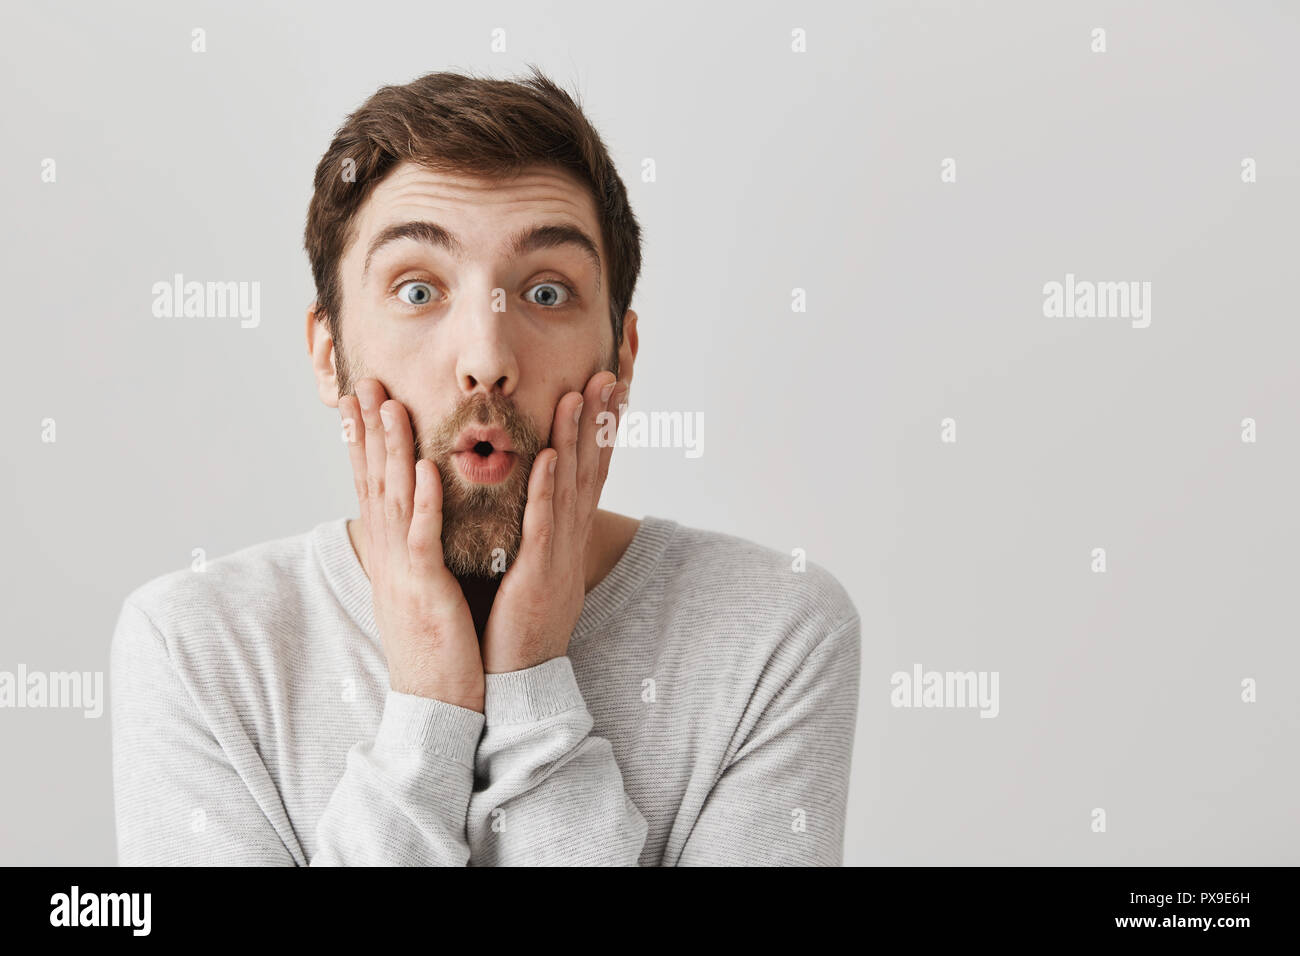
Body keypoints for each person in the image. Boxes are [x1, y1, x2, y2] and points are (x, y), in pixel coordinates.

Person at [110, 66, 861, 866]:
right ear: (329, 357)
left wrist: (533, 684)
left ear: (623, 356)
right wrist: (430, 709)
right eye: (417, 290)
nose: (486, 359)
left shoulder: (775, 635)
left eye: (544, 293)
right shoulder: (194, 649)